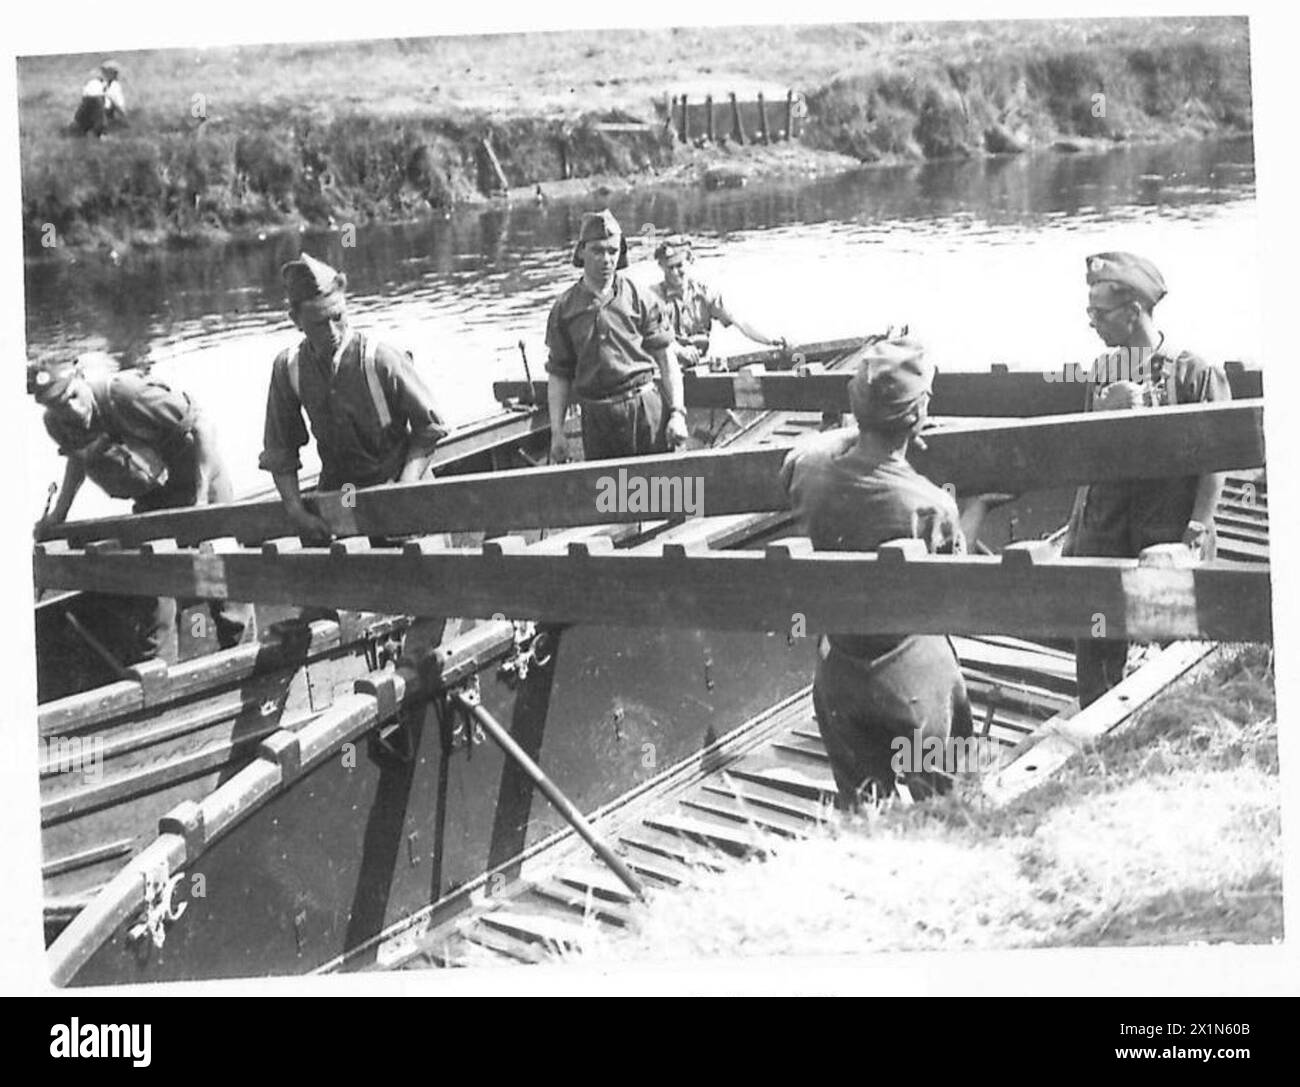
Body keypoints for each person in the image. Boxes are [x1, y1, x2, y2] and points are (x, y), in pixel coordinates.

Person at [779, 338, 977, 807]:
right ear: (918, 413)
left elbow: (807, 455)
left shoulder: (807, 472)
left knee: (864, 810)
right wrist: (980, 508)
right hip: (910, 681)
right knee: (945, 804)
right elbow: (958, 591)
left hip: (839, 675)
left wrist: (861, 435)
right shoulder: (929, 503)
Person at [1063, 251, 1232, 708]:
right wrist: (1104, 414)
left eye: (1099, 312)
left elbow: (1216, 462)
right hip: (1106, 533)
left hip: (1165, 534)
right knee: (1096, 647)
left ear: (1133, 310)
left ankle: (1170, 718)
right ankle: (1094, 726)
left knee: (1174, 647)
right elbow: (1083, 455)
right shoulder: (1101, 374)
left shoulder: (1194, 372)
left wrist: (1196, 529)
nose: (1092, 322)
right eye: (1089, 312)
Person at [30, 354, 252, 664]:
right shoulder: (57, 423)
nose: (70, 409)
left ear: (82, 377)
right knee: (153, 580)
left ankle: (241, 658)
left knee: (215, 571)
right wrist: (58, 515)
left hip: (199, 479)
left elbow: (202, 426)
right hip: (152, 494)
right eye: (56, 405)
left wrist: (201, 503)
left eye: (72, 396)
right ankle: (158, 672)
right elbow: (79, 459)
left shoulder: (126, 394)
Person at [259, 253, 450, 542]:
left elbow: (429, 429)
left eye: (338, 317)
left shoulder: (380, 359)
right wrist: (297, 512)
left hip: (401, 496)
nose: (333, 331)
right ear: (296, 321)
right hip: (341, 502)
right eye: (320, 323)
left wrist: (403, 489)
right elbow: (280, 450)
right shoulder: (289, 369)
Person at [545, 209, 689, 462]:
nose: (606, 259)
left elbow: (667, 360)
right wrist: (557, 432)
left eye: (612, 251)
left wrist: (677, 414)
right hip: (597, 419)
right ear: (581, 252)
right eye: (597, 251)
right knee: (610, 498)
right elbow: (559, 374)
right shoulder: (564, 308)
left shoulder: (639, 297)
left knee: (659, 494)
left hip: (645, 411)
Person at [649, 234, 788, 365]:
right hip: (664, 368)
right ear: (661, 267)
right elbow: (654, 338)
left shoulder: (704, 293)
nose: (674, 273)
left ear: (690, 260)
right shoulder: (653, 297)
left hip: (698, 363)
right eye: (669, 268)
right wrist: (680, 351)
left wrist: (770, 340)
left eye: (679, 266)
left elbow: (741, 322)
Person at [73, 60, 126, 138]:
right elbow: (88, 101)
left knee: (102, 104)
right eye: (111, 71)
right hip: (88, 115)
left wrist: (112, 100)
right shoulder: (93, 83)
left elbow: (121, 108)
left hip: (106, 115)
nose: (115, 74)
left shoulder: (116, 86)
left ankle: (98, 131)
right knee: (97, 100)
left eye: (115, 72)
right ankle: (99, 132)